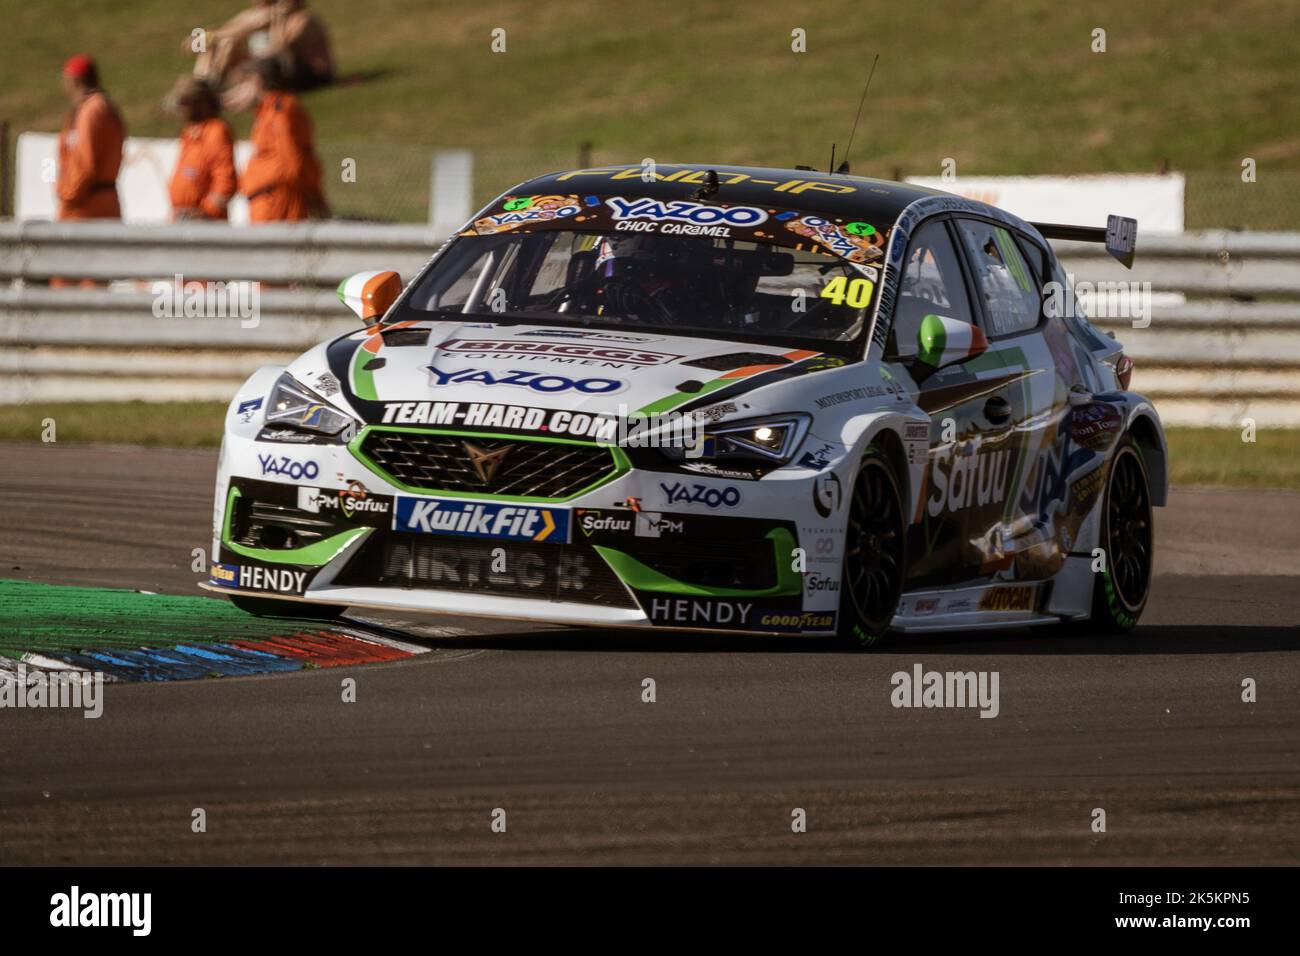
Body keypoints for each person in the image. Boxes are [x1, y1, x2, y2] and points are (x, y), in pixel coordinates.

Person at [190, 0, 335, 112]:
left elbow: (279, 46)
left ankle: (227, 97)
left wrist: (278, 20)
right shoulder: (258, 15)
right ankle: (202, 87)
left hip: (311, 73)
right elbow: (228, 29)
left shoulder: (303, 19)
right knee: (223, 45)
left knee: (261, 63)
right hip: (279, 64)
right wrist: (204, 37)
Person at [239, 57, 328, 223]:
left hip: (278, 197)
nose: (242, 88)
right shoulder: (268, 110)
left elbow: (290, 159)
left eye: (246, 81)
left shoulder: (281, 110)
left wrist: (312, 195)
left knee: (273, 247)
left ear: (259, 80)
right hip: (268, 196)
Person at [56, 54, 126, 221]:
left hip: (87, 207)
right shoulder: (99, 107)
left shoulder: (92, 110)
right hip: (96, 201)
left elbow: (85, 163)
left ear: (73, 80)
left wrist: (69, 194)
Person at [165, 77, 237, 221]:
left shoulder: (216, 131)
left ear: (201, 103)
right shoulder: (189, 132)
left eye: (185, 103)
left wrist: (206, 211)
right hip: (183, 217)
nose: (181, 109)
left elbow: (225, 180)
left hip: (204, 221)